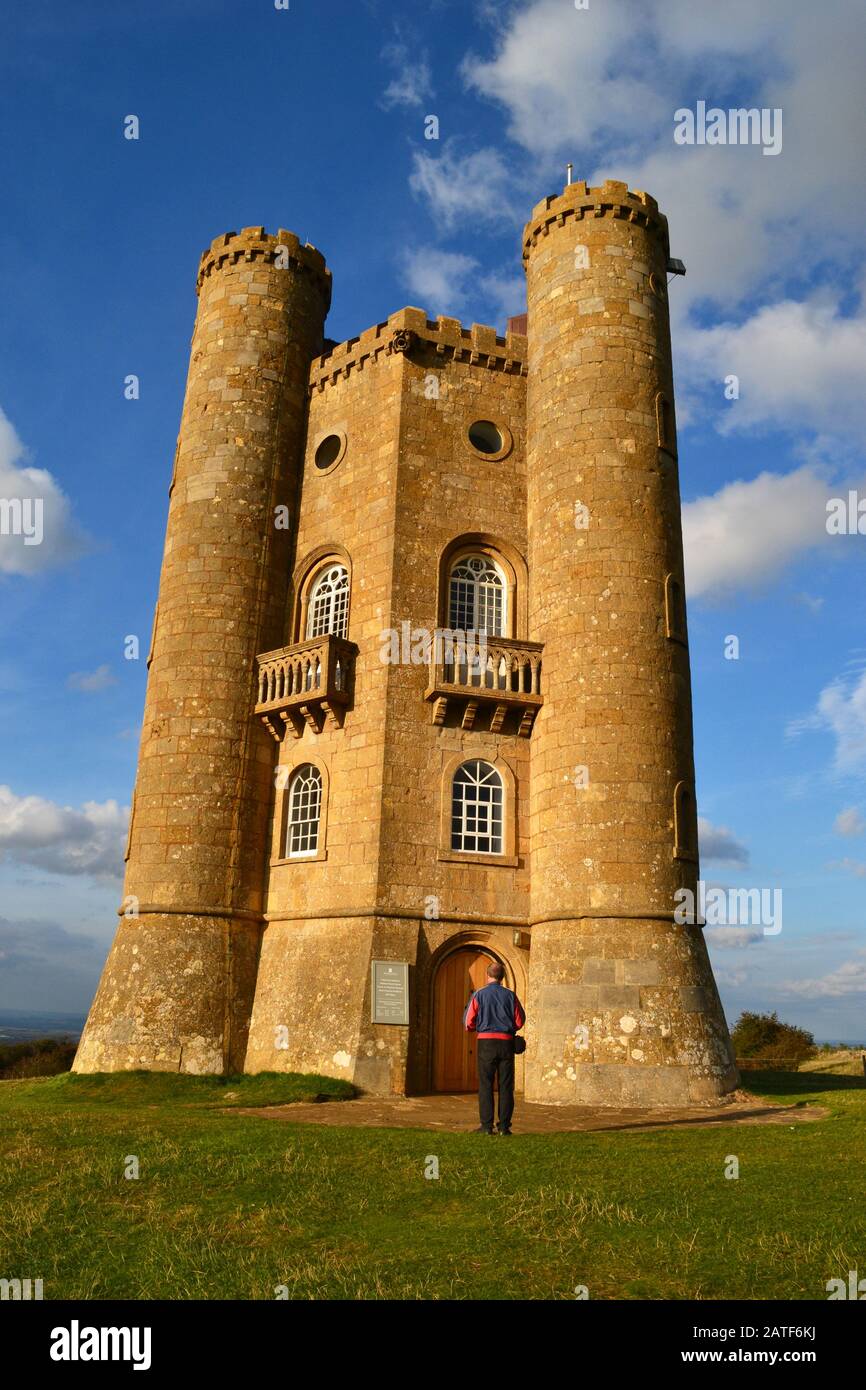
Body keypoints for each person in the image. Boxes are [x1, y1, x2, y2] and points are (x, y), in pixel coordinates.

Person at [463, 961, 525, 1136]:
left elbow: (468, 1022)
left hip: (486, 1043)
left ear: (487, 975)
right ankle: (504, 1127)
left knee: (486, 1085)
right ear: (502, 977)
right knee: (506, 1086)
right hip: (506, 1043)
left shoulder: (479, 994)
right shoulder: (510, 996)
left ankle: (486, 1126)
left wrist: (480, 1025)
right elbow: (519, 1021)